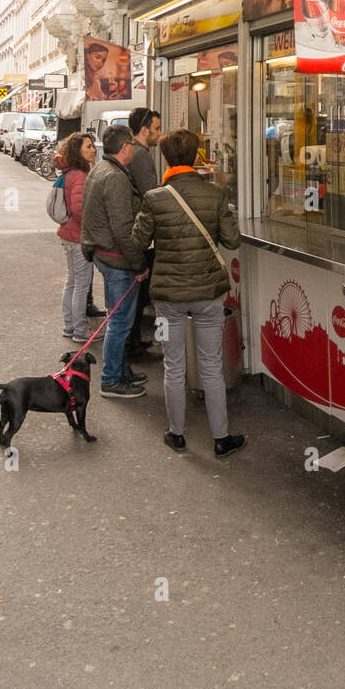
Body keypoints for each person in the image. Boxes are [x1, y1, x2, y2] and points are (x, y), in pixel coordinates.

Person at [132, 127, 244, 458]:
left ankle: (176, 434)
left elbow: (138, 240)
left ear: (165, 157)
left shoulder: (154, 198)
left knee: (174, 364)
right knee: (211, 365)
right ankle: (221, 438)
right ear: (196, 156)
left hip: (168, 299)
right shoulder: (214, 195)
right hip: (209, 295)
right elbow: (232, 241)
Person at [80, 126, 149, 399]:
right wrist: (139, 264)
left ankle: (120, 370)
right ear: (124, 149)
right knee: (119, 321)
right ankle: (110, 379)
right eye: (132, 144)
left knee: (118, 318)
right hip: (117, 258)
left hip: (104, 253)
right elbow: (123, 228)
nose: (134, 148)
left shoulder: (100, 169)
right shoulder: (116, 178)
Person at [124, 108, 162, 357]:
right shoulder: (141, 156)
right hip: (140, 235)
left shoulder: (136, 153)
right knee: (136, 297)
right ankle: (132, 346)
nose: (160, 133)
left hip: (135, 232)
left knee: (136, 298)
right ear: (145, 129)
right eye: (157, 128)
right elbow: (150, 195)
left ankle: (134, 342)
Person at [55, 131, 96, 344]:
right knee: (81, 284)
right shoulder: (80, 175)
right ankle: (79, 331)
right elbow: (80, 209)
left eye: (92, 146)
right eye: (88, 146)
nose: (93, 149)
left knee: (71, 282)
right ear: (77, 151)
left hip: (68, 234)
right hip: (78, 237)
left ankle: (69, 326)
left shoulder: (69, 171)